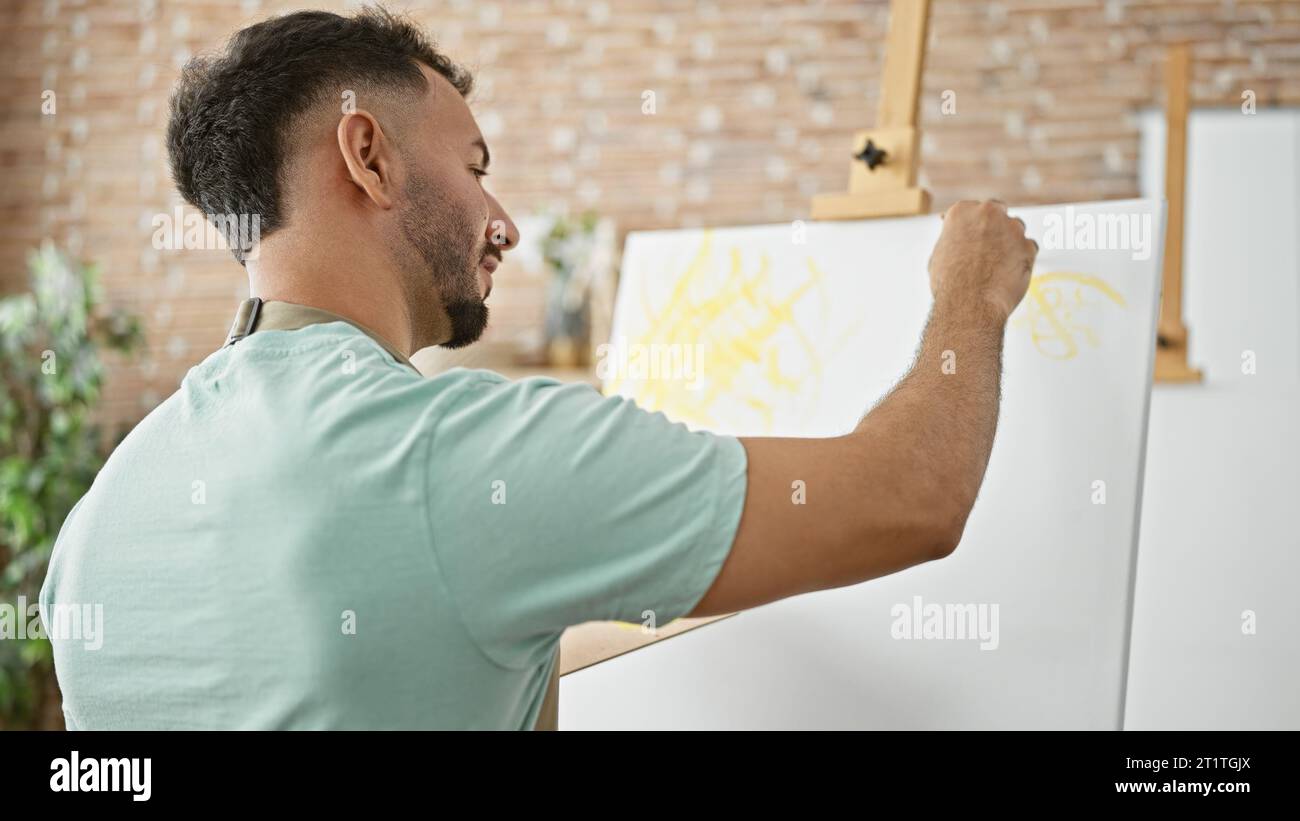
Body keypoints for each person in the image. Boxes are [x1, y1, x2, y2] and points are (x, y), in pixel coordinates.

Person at [40, 7, 1036, 730]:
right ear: (369, 156)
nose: (503, 222)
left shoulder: (104, 515)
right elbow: (909, 496)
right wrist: (968, 296)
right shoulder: (458, 451)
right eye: (474, 167)